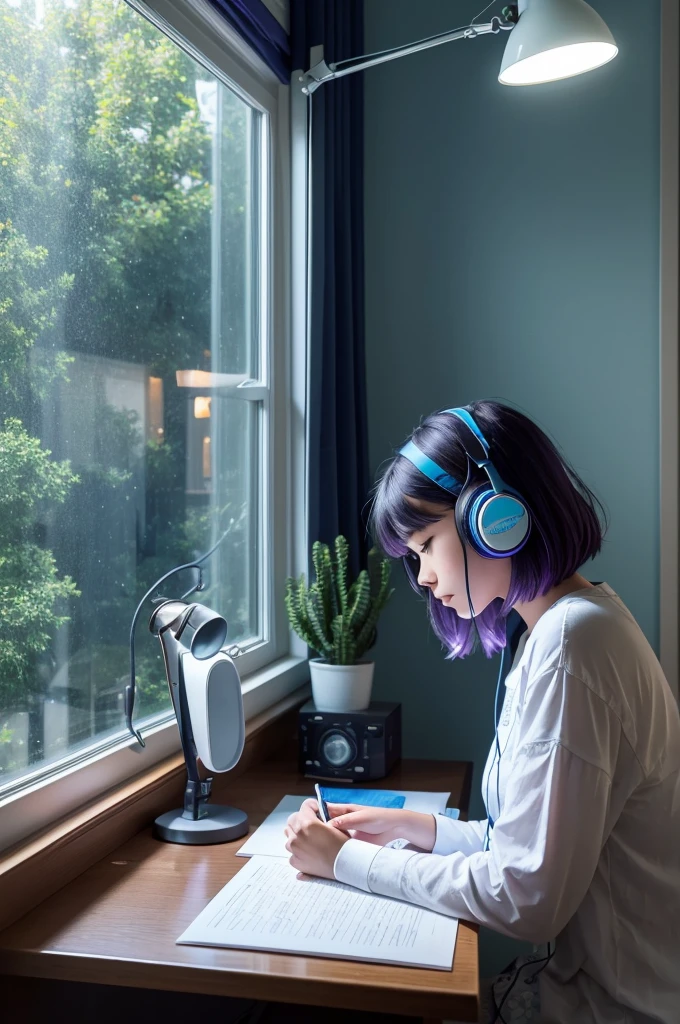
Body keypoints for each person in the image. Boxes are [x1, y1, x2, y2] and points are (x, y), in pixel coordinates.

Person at [284, 400, 680, 1024]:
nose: (423, 579)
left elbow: (528, 900)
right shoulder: (561, 630)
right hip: (575, 987)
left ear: (495, 517)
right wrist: (419, 832)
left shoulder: (574, 647)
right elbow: (527, 848)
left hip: (612, 1008)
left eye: (427, 546)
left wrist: (346, 862)